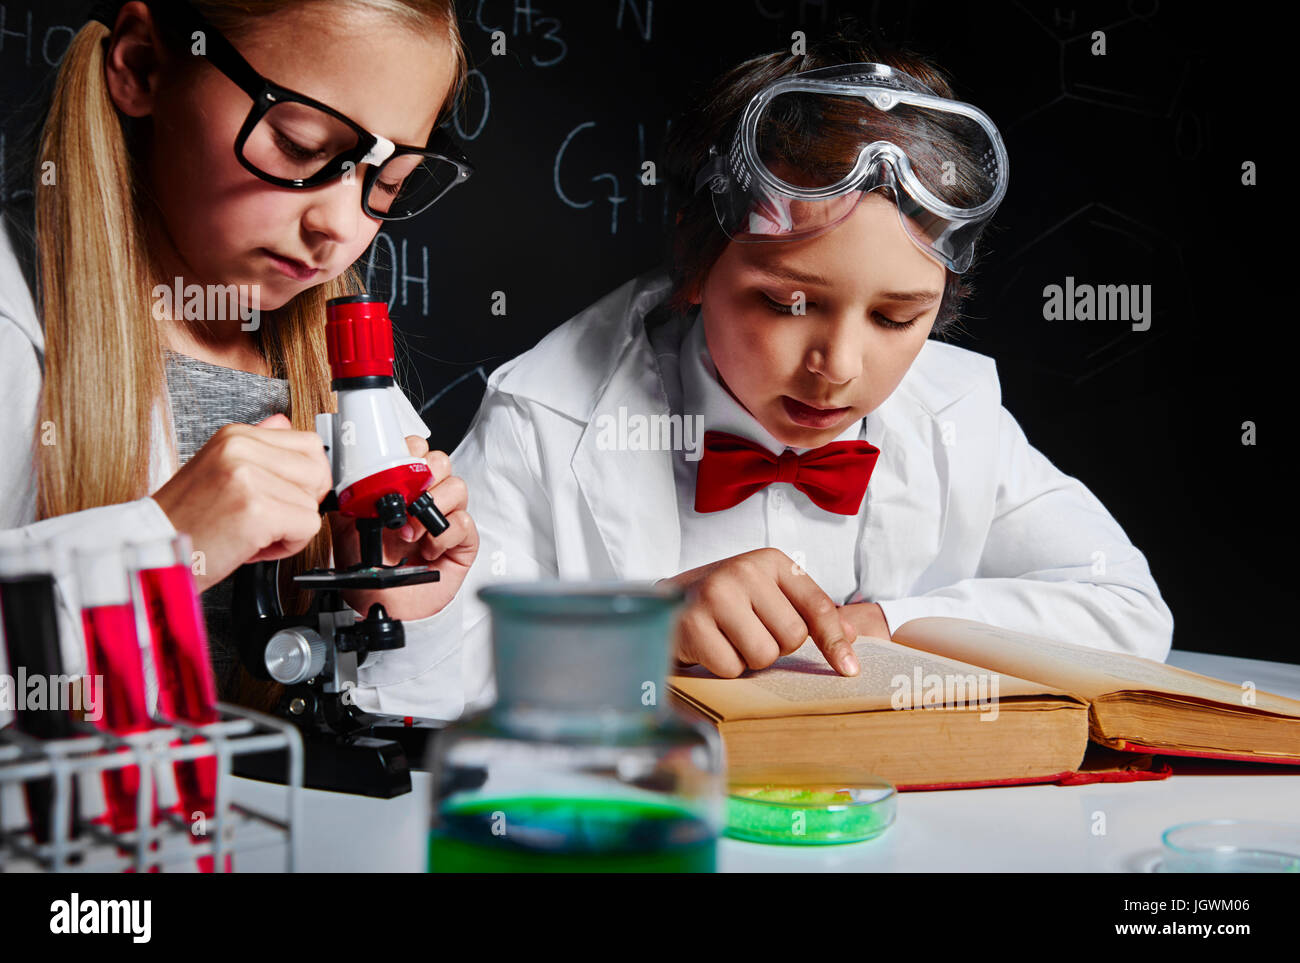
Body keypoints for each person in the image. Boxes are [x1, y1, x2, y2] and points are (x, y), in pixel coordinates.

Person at [398, 33, 1173, 701]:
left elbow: (1128, 608)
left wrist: (886, 628)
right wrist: (644, 628)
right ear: (697, 264)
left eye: (896, 317)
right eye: (788, 304)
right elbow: (424, 670)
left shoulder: (956, 417)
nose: (837, 367)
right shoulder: (548, 413)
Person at [0, 0, 488, 719]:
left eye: (386, 185)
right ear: (141, 67)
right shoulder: (17, 312)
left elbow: (454, 714)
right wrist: (161, 544)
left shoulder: (345, 382)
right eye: (297, 146)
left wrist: (402, 605)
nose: (341, 224)